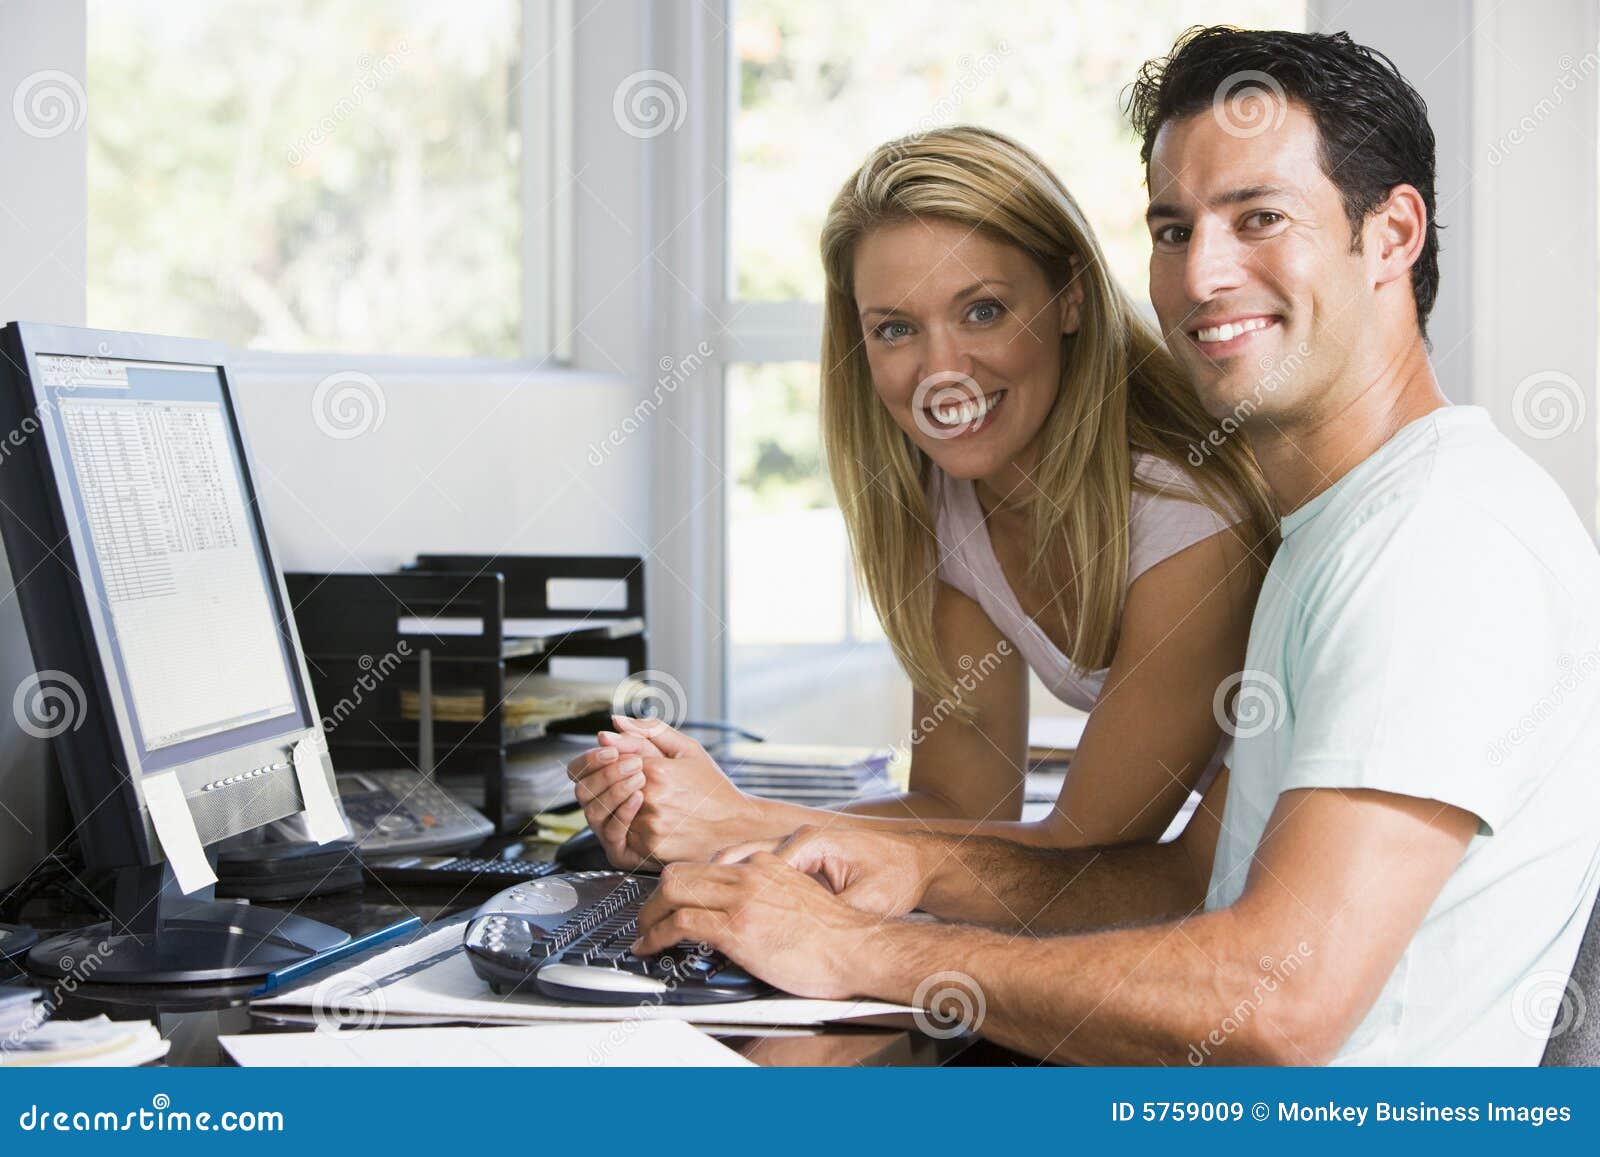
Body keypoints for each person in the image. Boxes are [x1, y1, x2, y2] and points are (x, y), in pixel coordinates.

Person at [627, 27, 1600, 1066]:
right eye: (1174, 230)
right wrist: (907, 873)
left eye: (1259, 217)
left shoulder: (1437, 540)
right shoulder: (1334, 527)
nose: (1202, 275)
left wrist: (860, 946)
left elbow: (1276, 1004)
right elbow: (1186, 882)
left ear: (1392, 234)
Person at [570, 125, 1276, 868]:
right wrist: (683, 818)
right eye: (897, 328)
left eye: (983, 311)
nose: (942, 372)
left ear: (1069, 299)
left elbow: (1083, 853)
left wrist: (735, 825)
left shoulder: (1188, 513)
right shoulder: (952, 502)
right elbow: (960, 807)